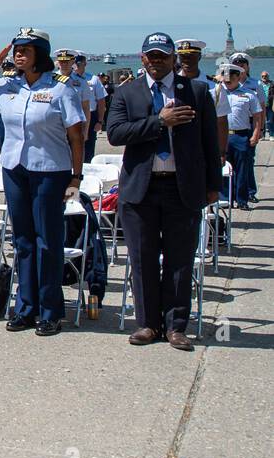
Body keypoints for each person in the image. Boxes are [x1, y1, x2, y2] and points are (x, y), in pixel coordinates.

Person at [0, 29, 84, 335]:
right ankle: (25, 308)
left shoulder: (60, 89)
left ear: (40, 55)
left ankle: (50, 310)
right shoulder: (6, 86)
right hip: (14, 169)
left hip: (49, 170)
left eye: (25, 50)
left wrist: (76, 176)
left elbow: (76, 136)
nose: (18, 55)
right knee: (23, 241)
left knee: (48, 241)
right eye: (16, 50)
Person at [106, 34, 220, 350]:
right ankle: (147, 324)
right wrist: (159, 121)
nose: (156, 61)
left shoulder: (196, 91)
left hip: (182, 187)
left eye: (162, 56)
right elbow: (115, 133)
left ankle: (176, 327)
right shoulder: (127, 92)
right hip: (141, 189)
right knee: (142, 259)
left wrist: (213, 185)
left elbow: (210, 141)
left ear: (174, 59)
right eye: (151, 56)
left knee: (180, 261)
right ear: (142, 58)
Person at [219, 63, 261, 210]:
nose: (227, 81)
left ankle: (242, 200)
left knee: (242, 169)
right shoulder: (217, 93)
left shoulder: (249, 94)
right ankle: (225, 199)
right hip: (222, 136)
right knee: (222, 167)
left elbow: (257, 116)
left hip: (241, 135)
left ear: (238, 77)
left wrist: (256, 134)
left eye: (231, 78)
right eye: (225, 78)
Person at [74, 52, 107, 162]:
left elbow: (101, 101)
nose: (76, 66)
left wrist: (100, 121)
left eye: (79, 64)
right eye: (74, 63)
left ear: (85, 64)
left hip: (90, 116)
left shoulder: (93, 79)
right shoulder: (67, 78)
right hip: (73, 115)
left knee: (88, 147)